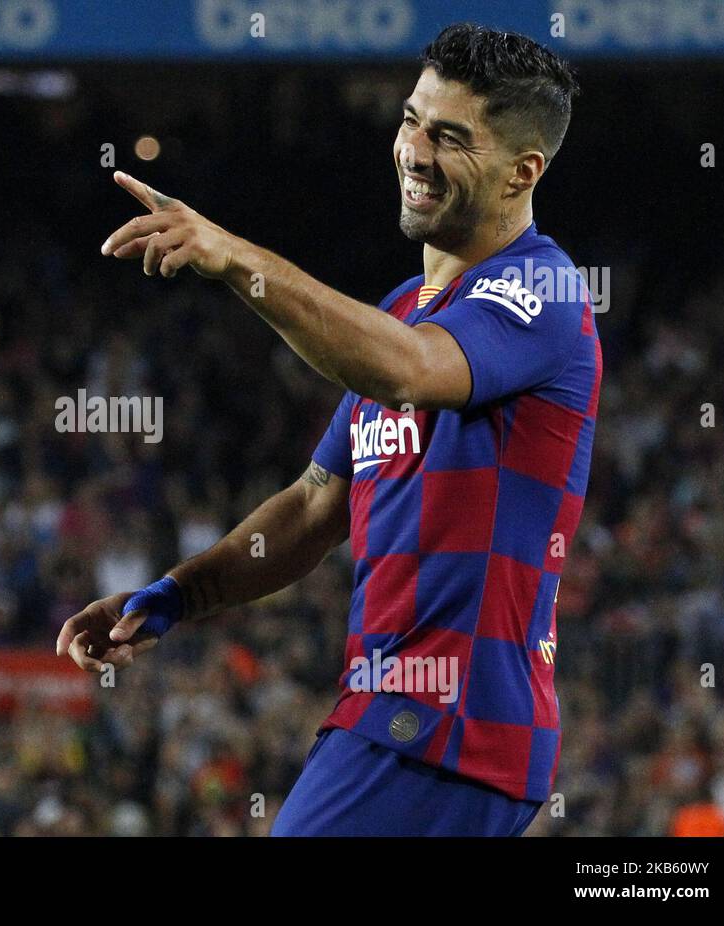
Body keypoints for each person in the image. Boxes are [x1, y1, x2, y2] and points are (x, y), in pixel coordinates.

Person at [59, 23, 600, 836]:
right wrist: (175, 595)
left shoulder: (543, 291)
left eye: (450, 137)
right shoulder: (402, 314)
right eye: (412, 119)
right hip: (397, 718)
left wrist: (231, 254)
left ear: (524, 170)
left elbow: (409, 370)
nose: (415, 151)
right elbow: (314, 507)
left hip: (451, 722)